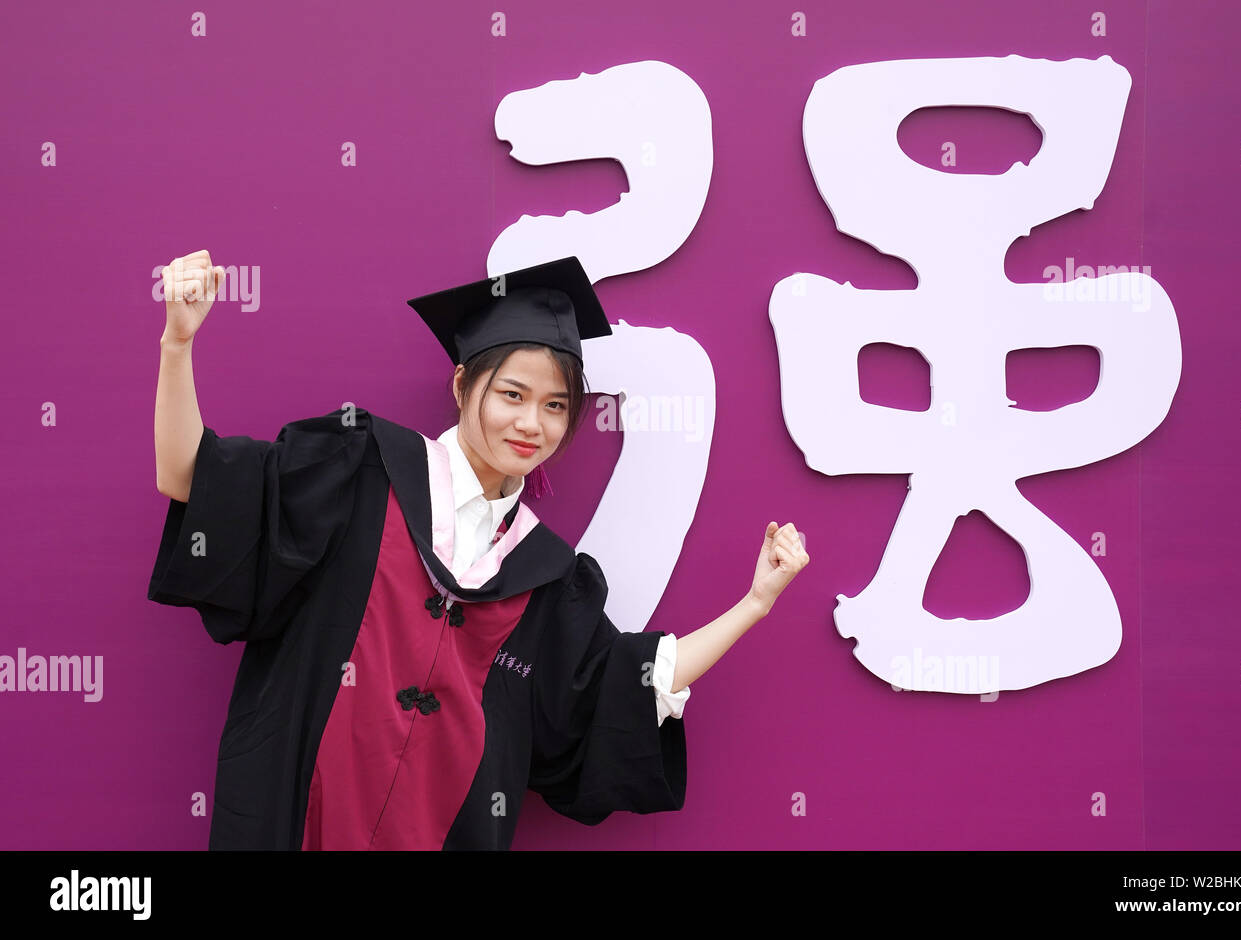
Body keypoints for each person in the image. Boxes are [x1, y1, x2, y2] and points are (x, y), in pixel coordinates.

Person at [150, 249, 810, 850]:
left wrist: (755, 604)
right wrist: (177, 345)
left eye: (556, 406)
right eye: (513, 395)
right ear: (466, 386)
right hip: (295, 822)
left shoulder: (545, 575)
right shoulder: (359, 470)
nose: (532, 424)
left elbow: (635, 683)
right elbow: (187, 477)